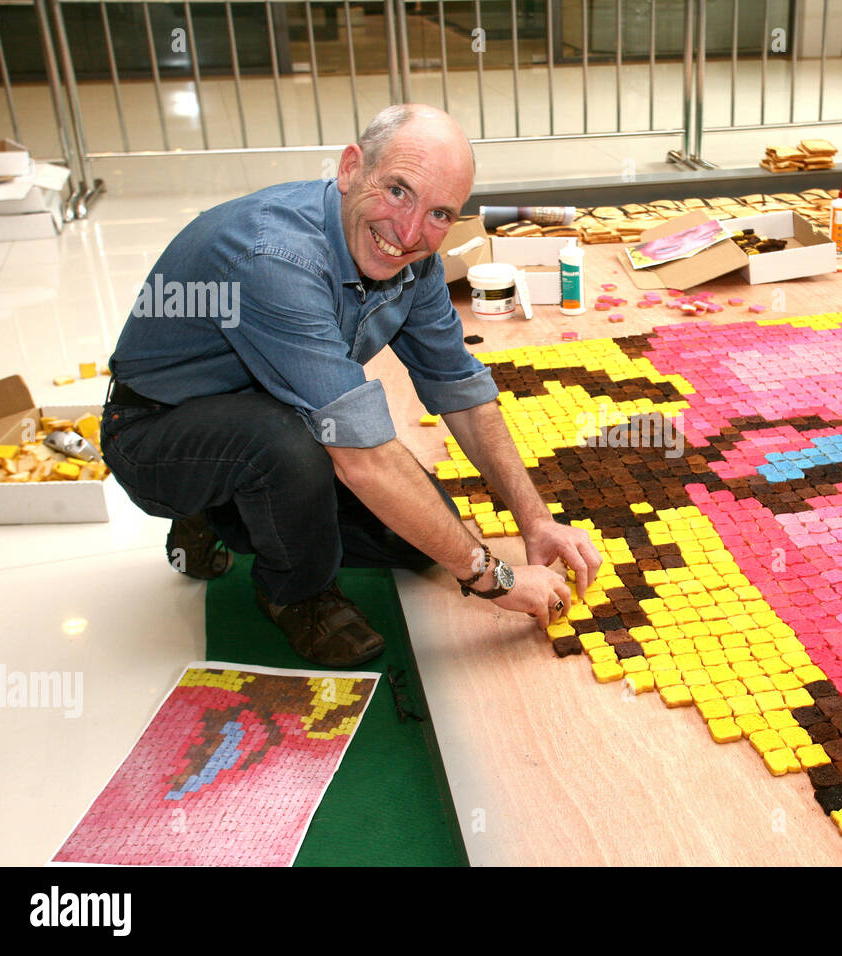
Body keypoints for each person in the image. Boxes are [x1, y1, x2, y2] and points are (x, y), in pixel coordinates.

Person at [101, 104, 602, 667]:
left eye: (439, 213)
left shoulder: (417, 262)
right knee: (287, 448)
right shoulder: (273, 257)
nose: (409, 233)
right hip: (154, 432)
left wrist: (535, 520)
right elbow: (362, 457)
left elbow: (459, 387)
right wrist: (495, 578)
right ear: (349, 168)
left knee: (412, 538)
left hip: (272, 409)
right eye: (396, 191)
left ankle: (227, 511)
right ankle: (295, 595)